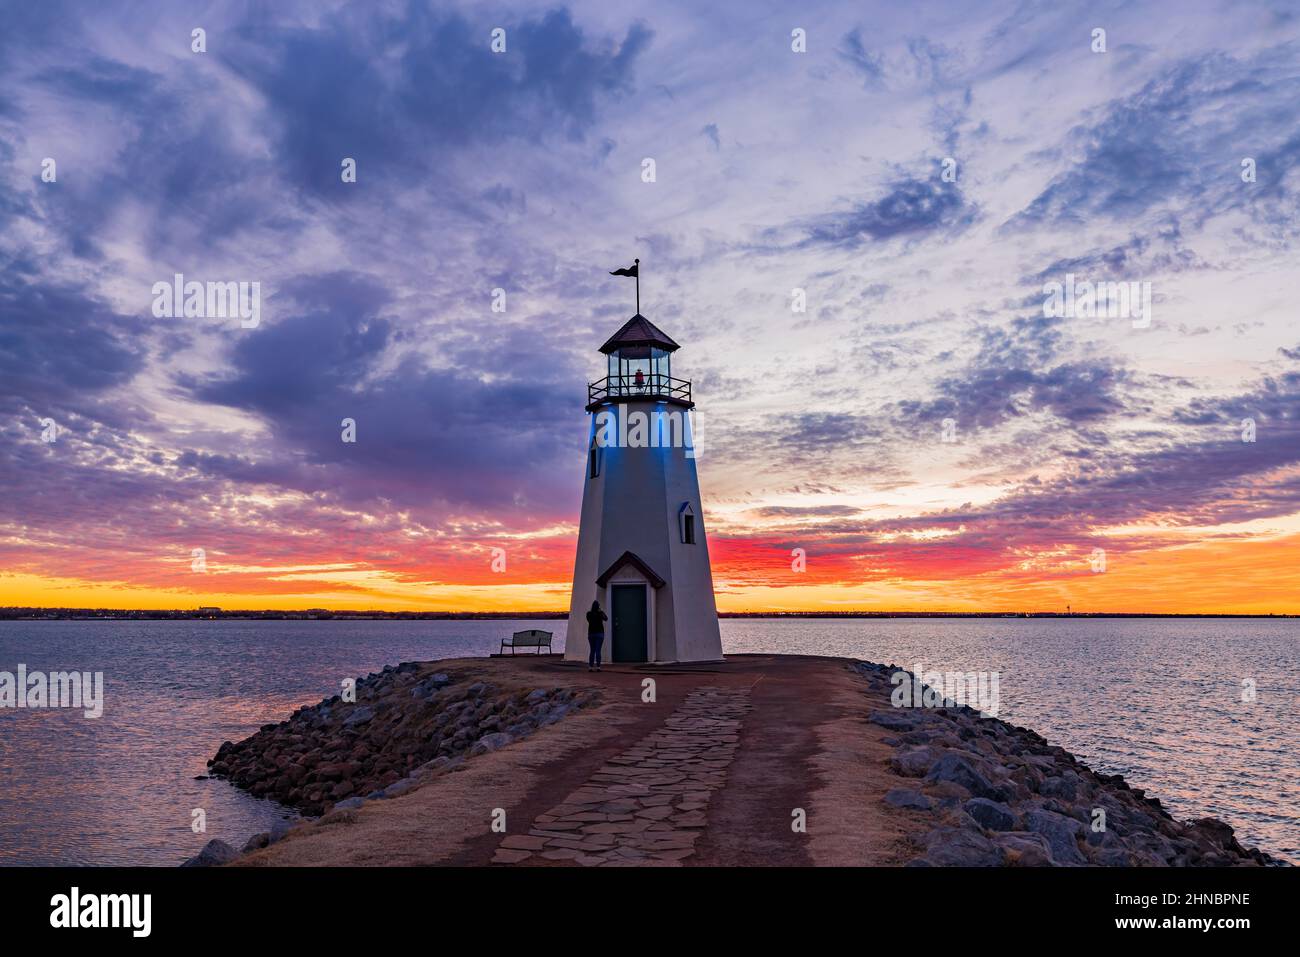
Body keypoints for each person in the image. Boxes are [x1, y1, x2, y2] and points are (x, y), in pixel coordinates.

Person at [585, 599, 607, 671]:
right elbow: (606, 618)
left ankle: (590, 667)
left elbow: (589, 620)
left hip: (591, 634)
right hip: (599, 634)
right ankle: (598, 667)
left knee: (592, 650)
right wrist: (600, 612)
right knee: (598, 650)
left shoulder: (588, 614)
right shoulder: (600, 613)